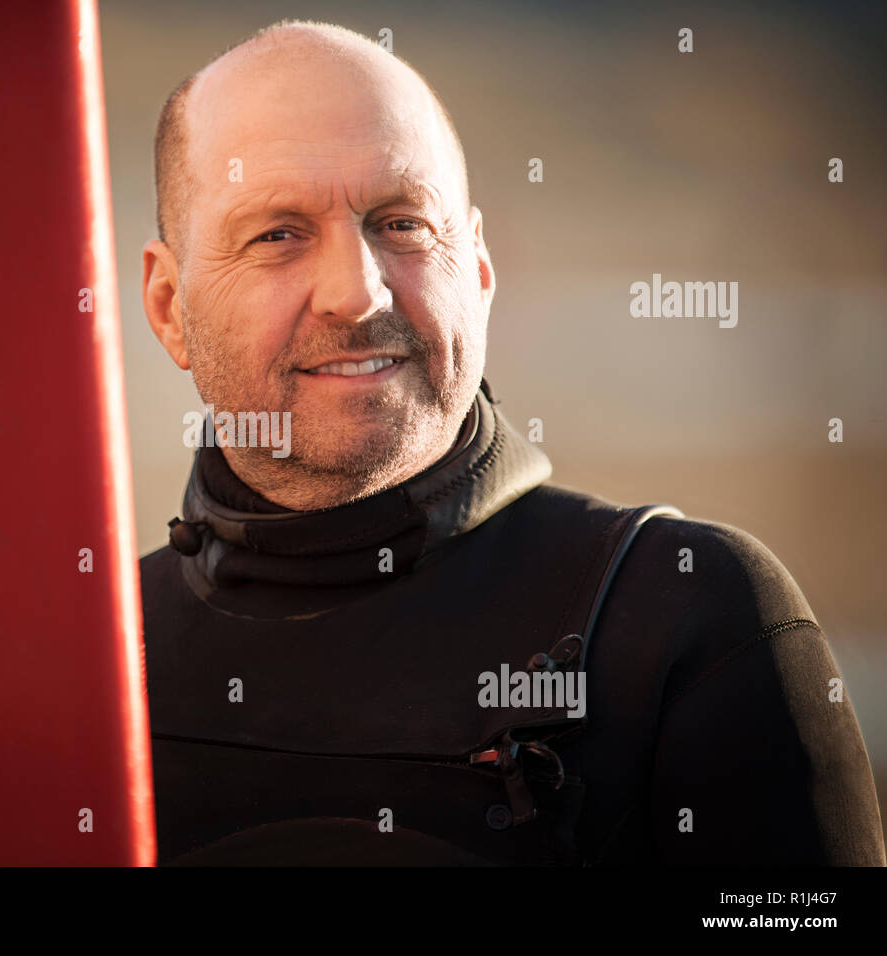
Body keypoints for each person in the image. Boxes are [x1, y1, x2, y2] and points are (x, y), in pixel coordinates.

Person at [137, 19, 885, 865]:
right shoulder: (100, 665)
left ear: (479, 273)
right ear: (169, 308)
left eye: (402, 222)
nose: (356, 291)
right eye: (277, 234)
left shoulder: (691, 617)